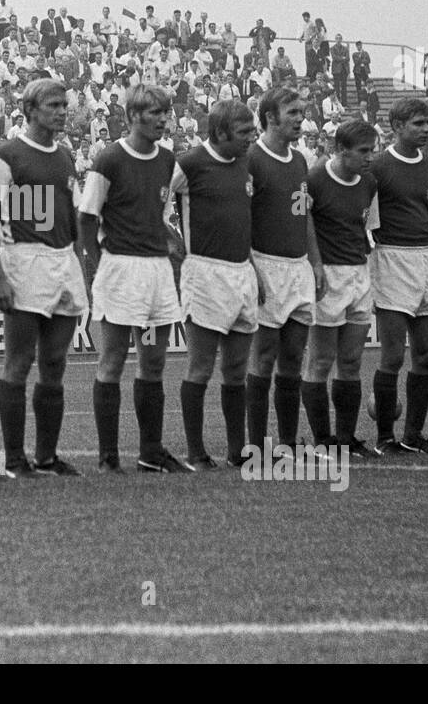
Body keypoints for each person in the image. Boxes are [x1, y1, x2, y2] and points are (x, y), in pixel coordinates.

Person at [79, 82, 188, 473]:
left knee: (153, 361)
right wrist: (99, 262)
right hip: (120, 269)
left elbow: (155, 210)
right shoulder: (109, 159)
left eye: (166, 112)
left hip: (157, 271)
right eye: (154, 113)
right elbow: (87, 218)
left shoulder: (167, 160)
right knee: (111, 360)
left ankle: (150, 452)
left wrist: (168, 239)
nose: (163, 119)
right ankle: (109, 458)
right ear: (132, 117)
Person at [0, 76, 87, 477]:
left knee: (56, 361)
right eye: (52, 105)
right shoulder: (4, 156)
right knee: (19, 361)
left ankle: (46, 456)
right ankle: (13, 459)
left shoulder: (64, 156)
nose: (61, 112)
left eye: (64, 105)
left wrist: (80, 265)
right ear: (30, 110)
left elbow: (72, 217)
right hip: (23, 262)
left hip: (62, 263)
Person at [169, 99, 259, 468]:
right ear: (220, 132)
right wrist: (175, 246)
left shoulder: (245, 164)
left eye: (252, 131)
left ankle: (238, 451)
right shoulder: (189, 163)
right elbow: (153, 207)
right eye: (243, 133)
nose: (250, 139)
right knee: (201, 367)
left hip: (242, 272)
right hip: (204, 274)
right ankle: (196, 452)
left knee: (237, 368)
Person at [368, 97, 428, 454]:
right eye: (418, 123)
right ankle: (385, 438)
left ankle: (413, 435)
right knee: (392, 356)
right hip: (391, 259)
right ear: (397, 126)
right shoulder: (378, 167)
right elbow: (366, 222)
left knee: (424, 355)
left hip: (425, 261)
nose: (426, 129)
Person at [244, 85, 324, 451]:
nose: (300, 118)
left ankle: (289, 443)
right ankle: (258, 447)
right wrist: (250, 268)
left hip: (298, 268)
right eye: (292, 112)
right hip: (265, 265)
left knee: (293, 359)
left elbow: (304, 214)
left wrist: (316, 261)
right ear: (269, 118)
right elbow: (239, 219)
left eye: (301, 111)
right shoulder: (251, 159)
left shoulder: (300, 159)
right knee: (263, 358)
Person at [301, 120, 383, 459]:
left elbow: (370, 230)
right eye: (363, 152)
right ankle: (323, 441)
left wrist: (372, 276)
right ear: (341, 150)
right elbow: (302, 224)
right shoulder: (314, 180)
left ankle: (347, 440)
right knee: (320, 361)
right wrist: (316, 266)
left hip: (359, 273)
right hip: (326, 276)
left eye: (372, 150)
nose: (369, 158)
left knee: (350, 361)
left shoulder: (369, 182)